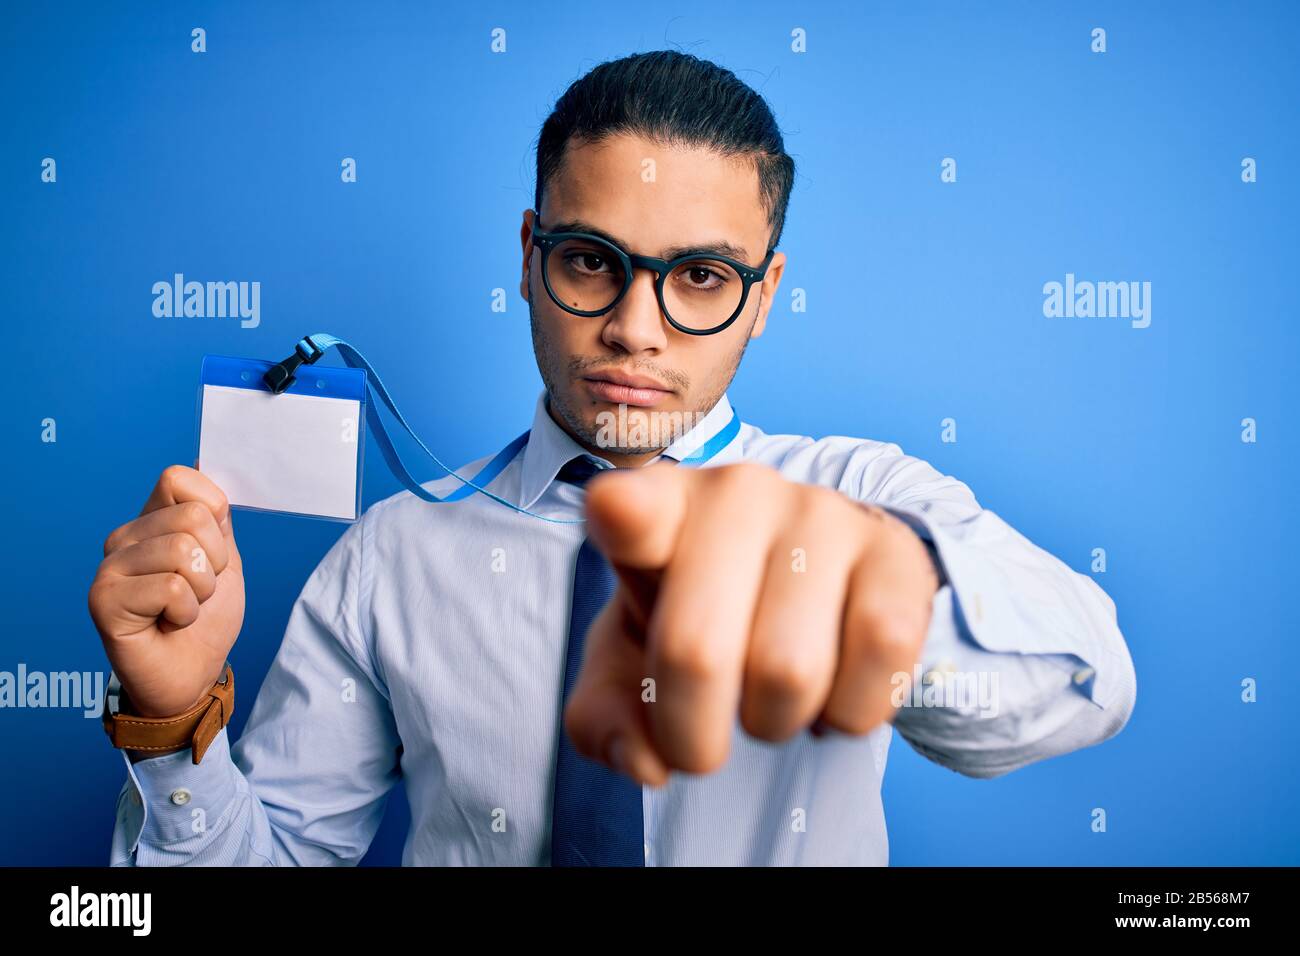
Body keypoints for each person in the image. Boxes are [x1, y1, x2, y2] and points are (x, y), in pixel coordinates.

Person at [88, 50, 1136, 866]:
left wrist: (876, 596)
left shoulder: (860, 498)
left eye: (700, 277)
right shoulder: (388, 558)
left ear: (762, 297)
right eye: (592, 261)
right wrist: (174, 725)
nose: (637, 328)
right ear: (529, 259)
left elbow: (1083, 685)